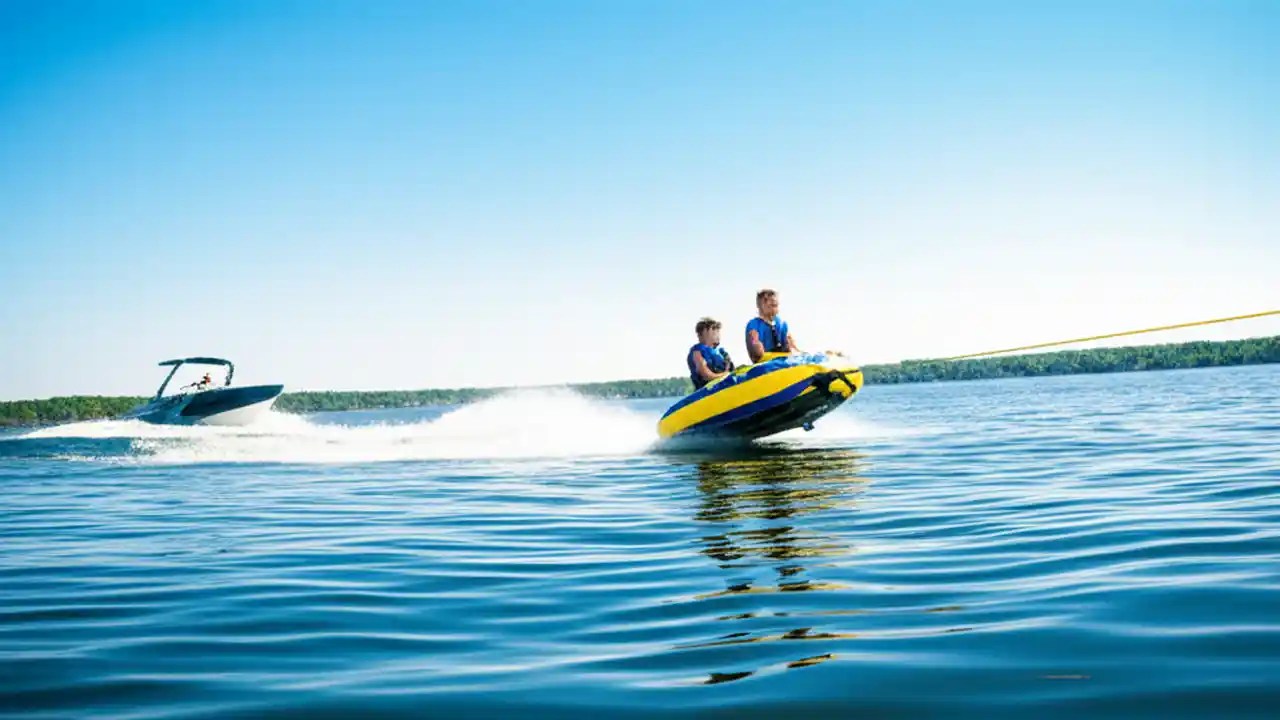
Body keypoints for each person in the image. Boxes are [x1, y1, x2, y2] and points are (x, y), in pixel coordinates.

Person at [746, 288, 798, 362]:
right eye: (770, 303)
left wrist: (790, 344)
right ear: (761, 305)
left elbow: (792, 349)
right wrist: (755, 342)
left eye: (776, 304)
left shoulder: (782, 324)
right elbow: (756, 355)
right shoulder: (754, 325)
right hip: (766, 364)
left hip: (783, 361)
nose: (774, 304)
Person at [687, 317, 734, 389]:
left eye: (718, 331)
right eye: (713, 330)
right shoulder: (697, 351)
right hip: (709, 391)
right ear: (701, 334)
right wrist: (725, 375)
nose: (717, 334)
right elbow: (705, 375)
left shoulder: (722, 353)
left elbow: (729, 370)